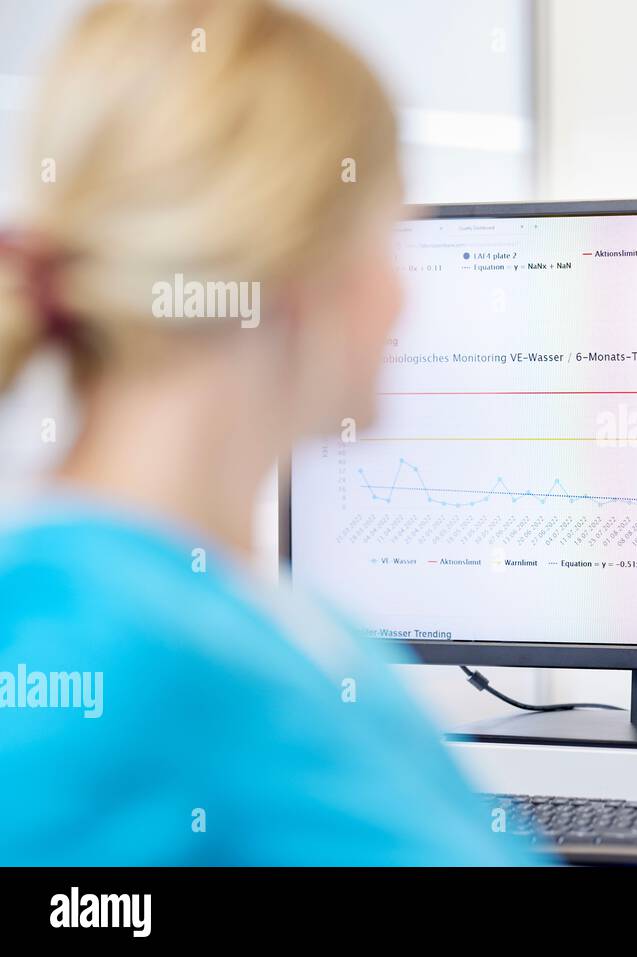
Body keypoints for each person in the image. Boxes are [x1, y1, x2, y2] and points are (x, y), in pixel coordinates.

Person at [0, 0, 529, 865]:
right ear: (295, 271)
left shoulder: (291, 628)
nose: (404, 297)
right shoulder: (83, 656)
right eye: (390, 238)